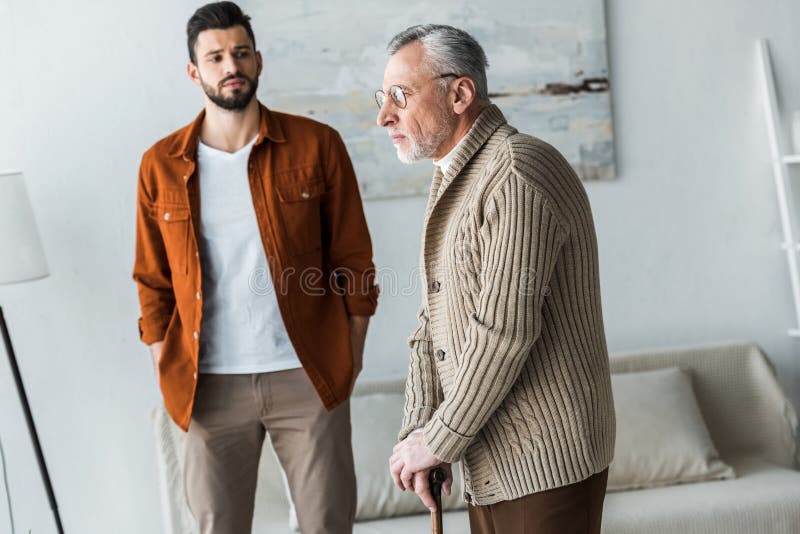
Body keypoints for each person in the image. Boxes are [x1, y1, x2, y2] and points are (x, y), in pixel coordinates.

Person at [132, 3, 378, 533]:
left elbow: (354, 260)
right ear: (194, 72)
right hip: (209, 384)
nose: (231, 65)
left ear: (259, 61)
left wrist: (350, 355)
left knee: (328, 524)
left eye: (240, 53)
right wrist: (162, 360)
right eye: (216, 56)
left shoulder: (318, 145)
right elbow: (152, 281)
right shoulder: (160, 165)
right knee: (219, 527)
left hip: (307, 375)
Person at [379, 24, 615, 534]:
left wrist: (439, 439)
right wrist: (420, 432)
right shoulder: (455, 179)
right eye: (384, 97)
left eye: (400, 95)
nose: (384, 115)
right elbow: (433, 323)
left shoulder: (516, 170)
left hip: (542, 464)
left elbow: (502, 334)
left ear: (459, 93)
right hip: (490, 459)